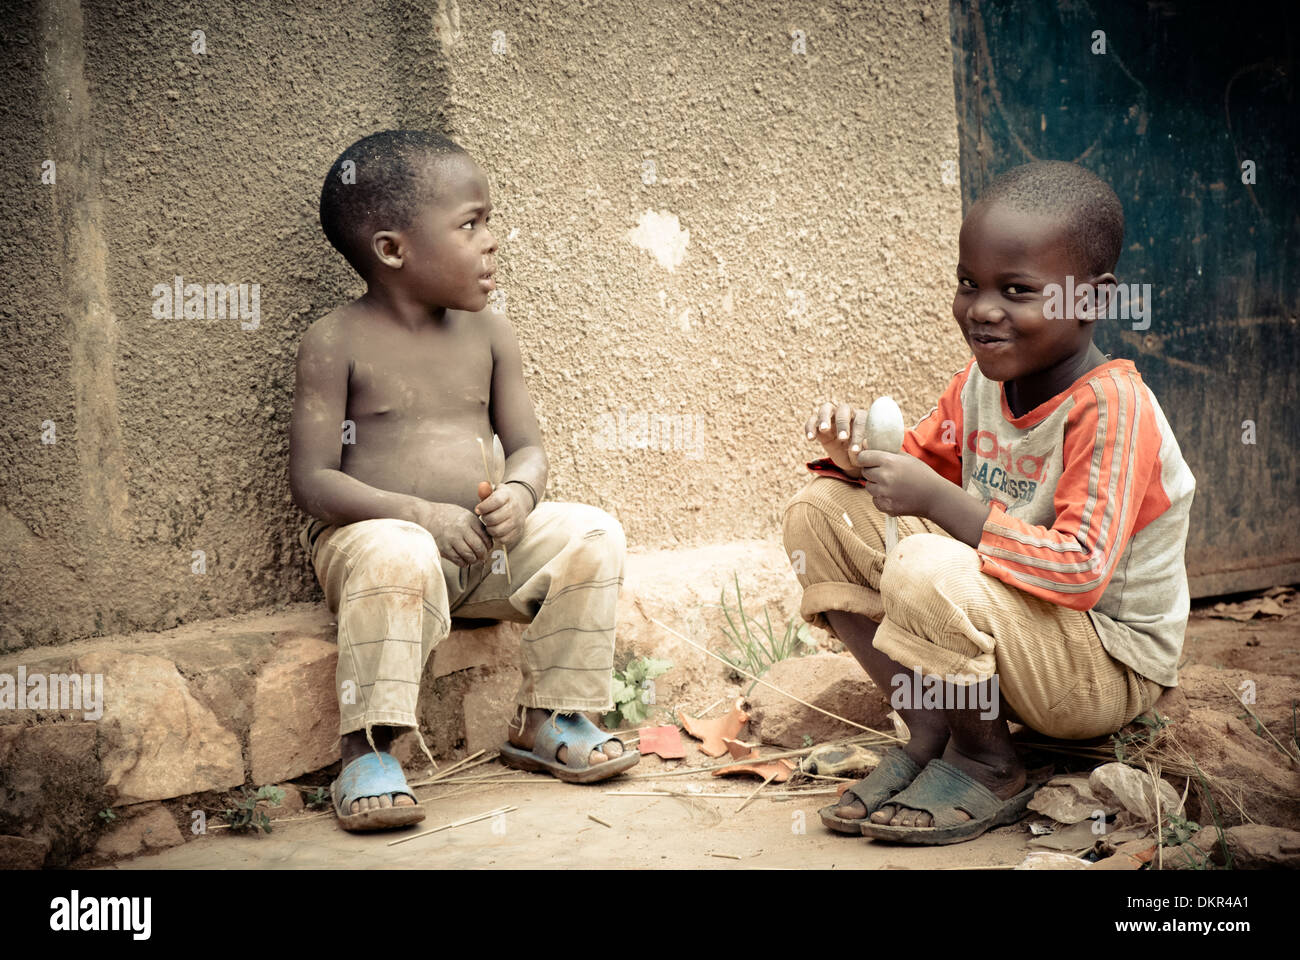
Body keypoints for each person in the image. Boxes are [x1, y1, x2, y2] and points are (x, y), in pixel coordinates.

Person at [782, 161, 1196, 844]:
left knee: (924, 563)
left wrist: (943, 503)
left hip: (1101, 665)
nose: (982, 309)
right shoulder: (980, 384)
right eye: (968, 283)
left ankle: (987, 760)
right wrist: (858, 457)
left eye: (1017, 291)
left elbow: (1080, 571)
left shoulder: (1114, 408)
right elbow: (914, 472)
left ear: (1090, 301)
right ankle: (934, 725)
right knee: (819, 511)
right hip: (1016, 626)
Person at [289, 130, 638, 832]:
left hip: (484, 554)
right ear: (393, 250)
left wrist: (521, 493)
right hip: (386, 558)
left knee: (593, 532)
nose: (492, 240)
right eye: (471, 224)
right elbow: (312, 481)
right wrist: (419, 514)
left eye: (489, 221)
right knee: (398, 549)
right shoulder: (338, 340)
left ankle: (553, 719)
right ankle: (367, 749)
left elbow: (530, 448)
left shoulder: (490, 335)